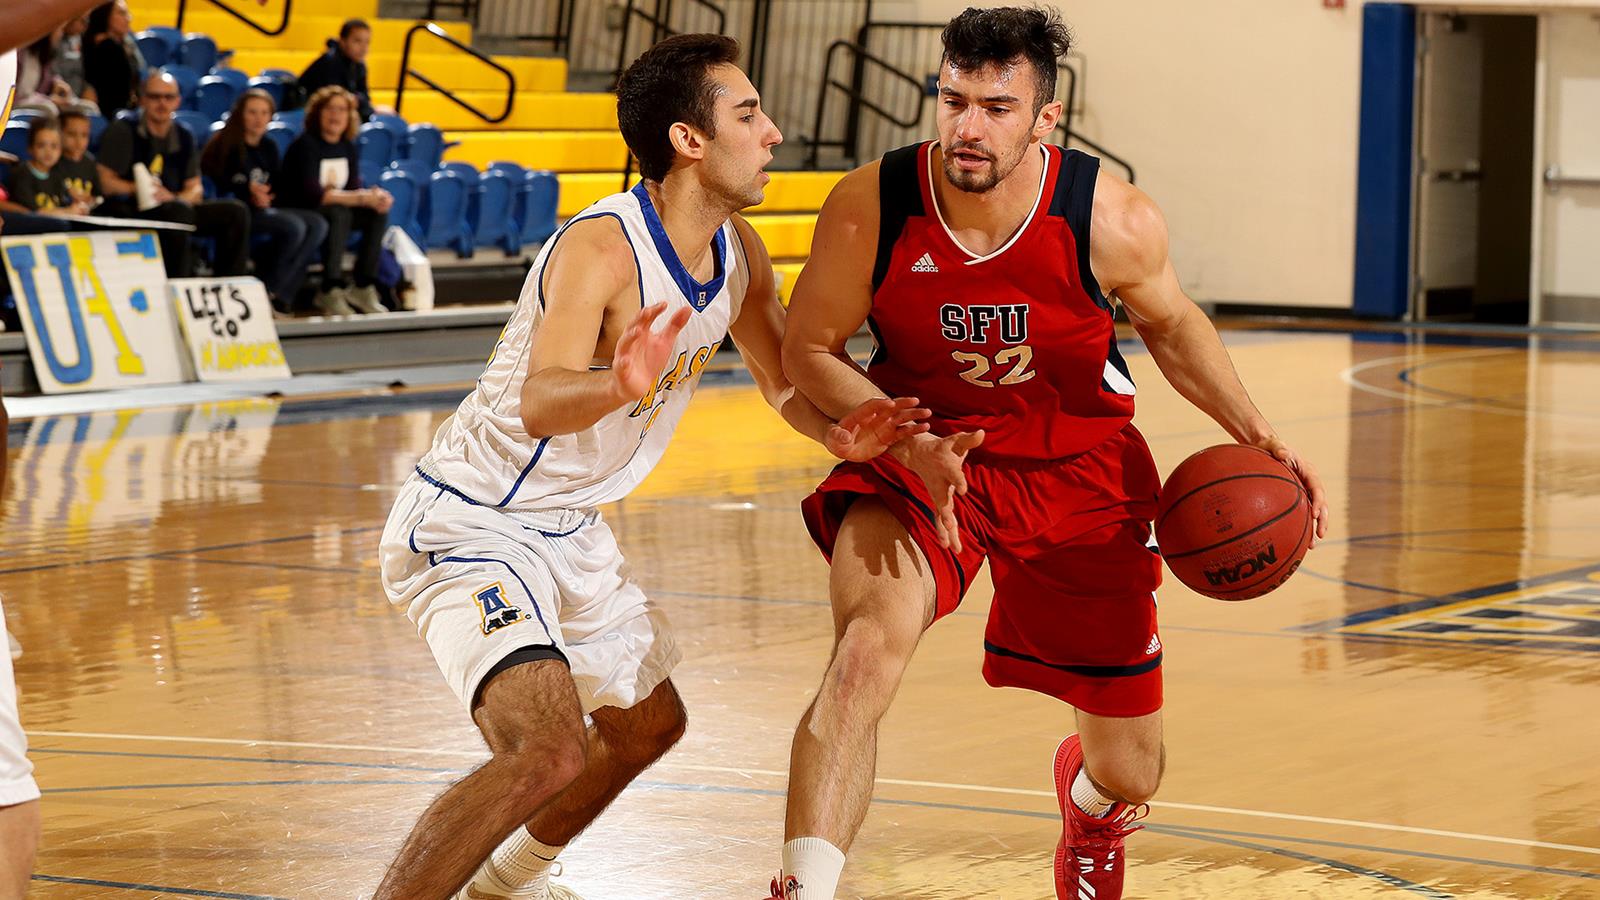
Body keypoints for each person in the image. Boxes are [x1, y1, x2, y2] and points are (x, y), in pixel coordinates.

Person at [768, 8, 1330, 900]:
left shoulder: (1113, 218)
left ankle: (1092, 810)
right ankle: (801, 889)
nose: (967, 126)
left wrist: (1256, 434)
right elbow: (809, 349)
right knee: (863, 657)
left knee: (1134, 769)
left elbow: (1175, 326)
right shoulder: (871, 204)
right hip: (924, 459)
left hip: (1082, 477)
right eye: (952, 100)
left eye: (997, 107)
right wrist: (908, 442)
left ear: (1045, 118)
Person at [374, 33, 927, 900]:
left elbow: (783, 383)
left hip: (567, 527)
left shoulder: (738, 252)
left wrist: (837, 436)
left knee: (645, 727)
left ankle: (504, 884)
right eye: (749, 113)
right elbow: (542, 399)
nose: (774, 132)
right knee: (547, 752)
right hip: (474, 519)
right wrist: (616, 382)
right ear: (688, 139)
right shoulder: (600, 248)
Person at [96, 70, 251, 278]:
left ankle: (229, 284)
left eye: (168, 97)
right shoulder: (124, 130)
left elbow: (195, 188)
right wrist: (138, 189)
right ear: (142, 99)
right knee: (178, 213)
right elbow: (104, 181)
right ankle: (178, 284)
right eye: (155, 97)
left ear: (178, 101)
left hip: (174, 206)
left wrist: (174, 198)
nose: (162, 103)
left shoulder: (184, 135)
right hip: (133, 209)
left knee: (235, 212)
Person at [202, 89, 328, 311]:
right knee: (294, 226)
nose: (258, 118)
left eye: (264, 112)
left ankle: (282, 294)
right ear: (240, 114)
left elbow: (277, 183)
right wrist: (246, 190)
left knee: (318, 223)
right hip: (237, 213)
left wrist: (268, 195)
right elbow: (216, 182)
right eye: (252, 112)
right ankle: (265, 290)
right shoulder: (224, 143)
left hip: (264, 209)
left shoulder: (268, 146)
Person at [277, 85, 389, 315]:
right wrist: (360, 197)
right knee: (340, 212)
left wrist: (374, 198)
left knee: (376, 212)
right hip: (301, 208)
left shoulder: (347, 146)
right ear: (318, 113)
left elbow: (351, 188)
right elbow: (315, 194)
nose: (335, 115)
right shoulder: (305, 145)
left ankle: (363, 285)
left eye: (342, 109)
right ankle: (330, 288)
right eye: (330, 109)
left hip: (333, 207)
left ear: (350, 116)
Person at [297, 19, 383, 123]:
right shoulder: (330, 62)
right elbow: (336, 99)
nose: (364, 48)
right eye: (357, 41)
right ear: (342, 41)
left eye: (367, 42)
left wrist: (370, 109)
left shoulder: (360, 66)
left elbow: (364, 97)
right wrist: (356, 101)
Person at [1, 119, 90, 215]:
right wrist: (67, 211)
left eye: (54, 146)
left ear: (61, 150)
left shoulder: (57, 174)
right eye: (41, 145)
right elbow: (34, 212)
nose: (48, 152)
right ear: (30, 148)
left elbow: (63, 204)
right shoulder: (22, 174)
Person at [83, 0, 137, 119]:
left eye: (127, 13)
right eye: (121, 13)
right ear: (105, 15)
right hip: (109, 113)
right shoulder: (107, 47)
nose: (128, 19)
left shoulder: (125, 44)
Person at [54, 108, 101, 208]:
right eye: (72, 134)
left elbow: (97, 195)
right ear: (58, 133)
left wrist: (90, 201)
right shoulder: (53, 161)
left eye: (84, 135)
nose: (79, 141)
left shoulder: (90, 162)